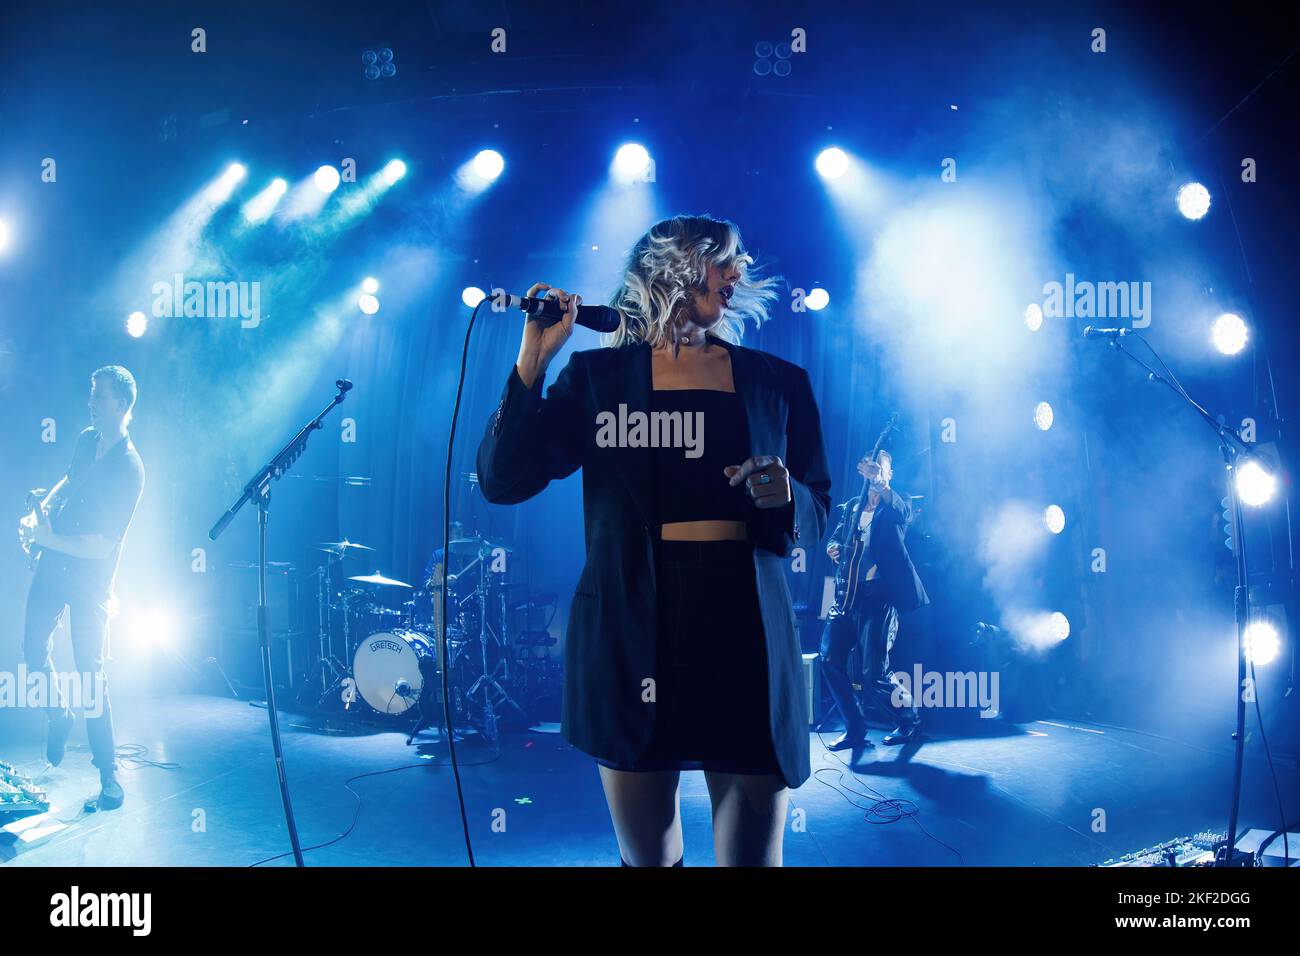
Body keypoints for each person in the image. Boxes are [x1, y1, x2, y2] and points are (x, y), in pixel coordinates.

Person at [477, 215, 830, 866]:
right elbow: (503, 479)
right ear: (676, 265)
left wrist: (789, 494)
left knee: (754, 856)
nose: (740, 273)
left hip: (745, 628)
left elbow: (820, 505)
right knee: (649, 859)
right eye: (725, 259)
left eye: (742, 262)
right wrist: (535, 357)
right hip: (632, 626)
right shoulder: (597, 380)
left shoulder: (777, 382)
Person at [20, 365, 146, 811]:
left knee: (90, 674)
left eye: (101, 397)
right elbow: (69, 483)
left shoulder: (129, 468)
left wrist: (46, 538)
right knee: (32, 647)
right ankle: (58, 713)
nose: (91, 403)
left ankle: (108, 775)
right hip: (56, 565)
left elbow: (101, 545)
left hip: (91, 579)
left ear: (123, 405)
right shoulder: (84, 441)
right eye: (91, 395)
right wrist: (41, 516)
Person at [821, 450, 928, 755]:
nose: (872, 472)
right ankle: (855, 729)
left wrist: (881, 484)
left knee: (874, 674)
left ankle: (910, 718)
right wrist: (832, 547)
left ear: (887, 474)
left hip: (878, 598)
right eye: (870, 468)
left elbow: (904, 514)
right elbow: (836, 537)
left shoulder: (896, 504)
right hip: (846, 594)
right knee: (829, 661)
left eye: (879, 469)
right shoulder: (853, 507)